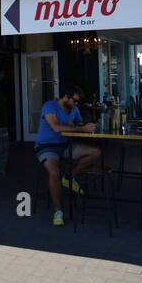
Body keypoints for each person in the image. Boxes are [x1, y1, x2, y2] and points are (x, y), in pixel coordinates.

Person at [35, 86, 101, 227]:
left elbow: (78, 125)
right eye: (75, 101)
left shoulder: (74, 110)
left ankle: (69, 177)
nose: (76, 104)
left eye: (78, 102)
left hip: (65, 145)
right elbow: (56, 127)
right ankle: (58, 211)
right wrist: (80, 128)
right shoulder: (50, 106)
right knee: (54, 172)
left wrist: (89, 126)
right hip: (46, 146)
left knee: (95, 152)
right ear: (65, 96)